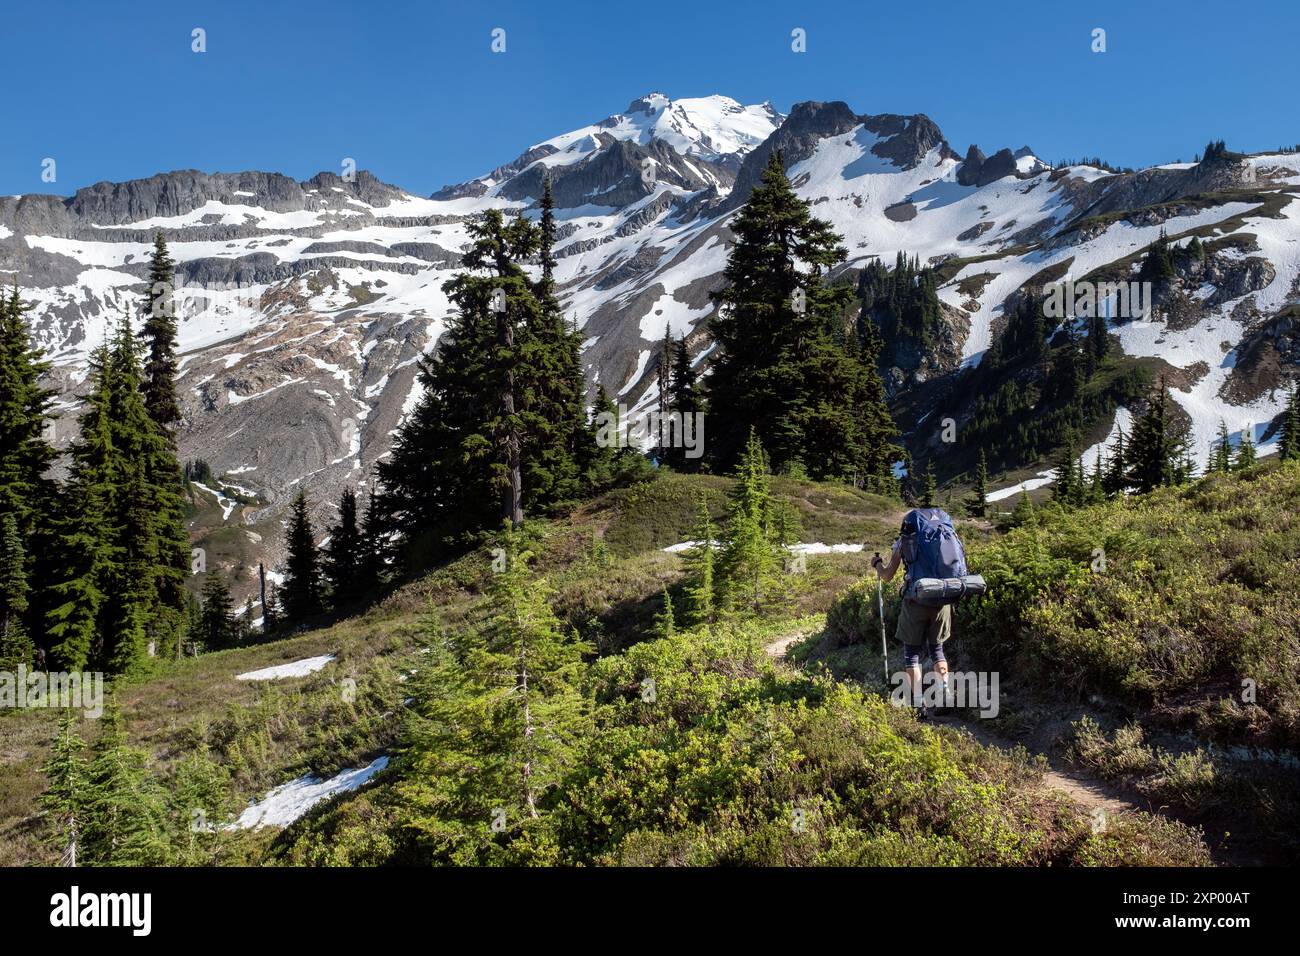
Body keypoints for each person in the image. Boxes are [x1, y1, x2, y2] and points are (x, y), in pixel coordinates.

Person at [871, 524, 953, 718]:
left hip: (915, 602)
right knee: (937, 650)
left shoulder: (904, 541)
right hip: (942, 600)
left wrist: (877, 564)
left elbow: (888, 575)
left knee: (912, 654)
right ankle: (944, 695)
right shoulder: (944, 536)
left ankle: (918, 704)